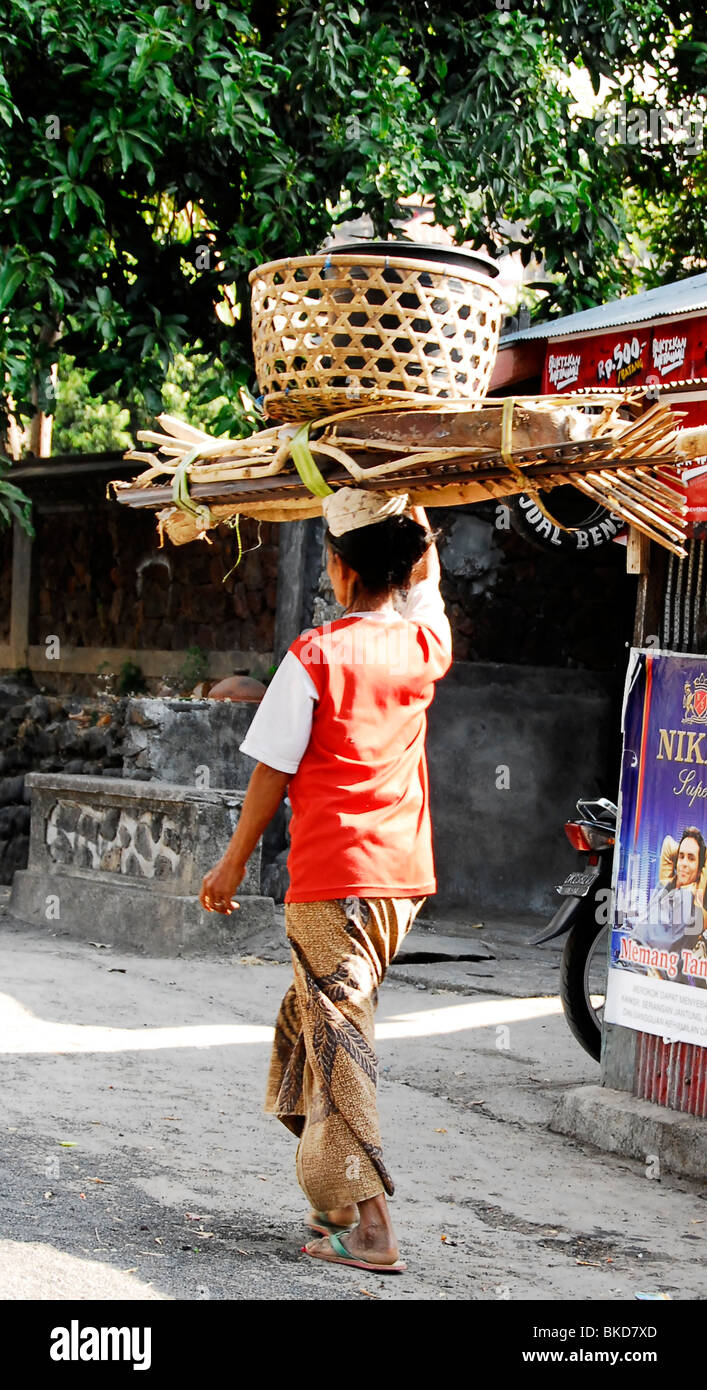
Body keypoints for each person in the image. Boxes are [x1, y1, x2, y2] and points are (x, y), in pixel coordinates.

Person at [199, 489, 452, 1273]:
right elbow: (427, 584)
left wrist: (232, 859)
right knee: (306, 1026)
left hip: (332, 881)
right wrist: (410, 496)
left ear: (338, 573)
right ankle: (332, 1199)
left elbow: (272, 772)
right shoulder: (421, 646)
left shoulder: (315, 656)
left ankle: (370, 1226)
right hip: (398, 883)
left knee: (336, 1040)